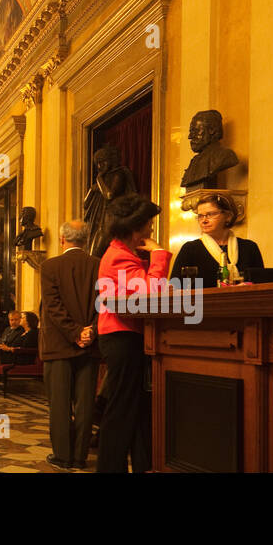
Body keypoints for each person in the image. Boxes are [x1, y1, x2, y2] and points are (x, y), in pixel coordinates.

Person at [96, 193, 170, 473]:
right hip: (122, 337)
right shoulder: (118, 257)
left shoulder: (123, 254)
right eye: (148, 224)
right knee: (122, 409)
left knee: (135, 407)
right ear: (134, 227)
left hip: (126, 336)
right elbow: (150, 291)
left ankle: (142, 465)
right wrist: (160, 253)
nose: (150, 230)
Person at [41, 221, 100, 471]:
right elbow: (106, 302)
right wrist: (90, 331)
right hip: (91, 344)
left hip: (58, 345)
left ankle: (62, 456)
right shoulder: (99, 265)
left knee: (60, 403)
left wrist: (74, 332)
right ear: (86, 240)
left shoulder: (50, 266)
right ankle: (80, 456)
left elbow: (53, 306)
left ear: (62, 240)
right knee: (85, 403)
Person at [171, 192, 263, 288]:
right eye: (200, 216)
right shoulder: (190, 249)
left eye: (210, 214)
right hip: (203, 302)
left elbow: (262, 284)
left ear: (228, 216)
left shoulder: (249, 248)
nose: (204, 220)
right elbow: (175, 287)